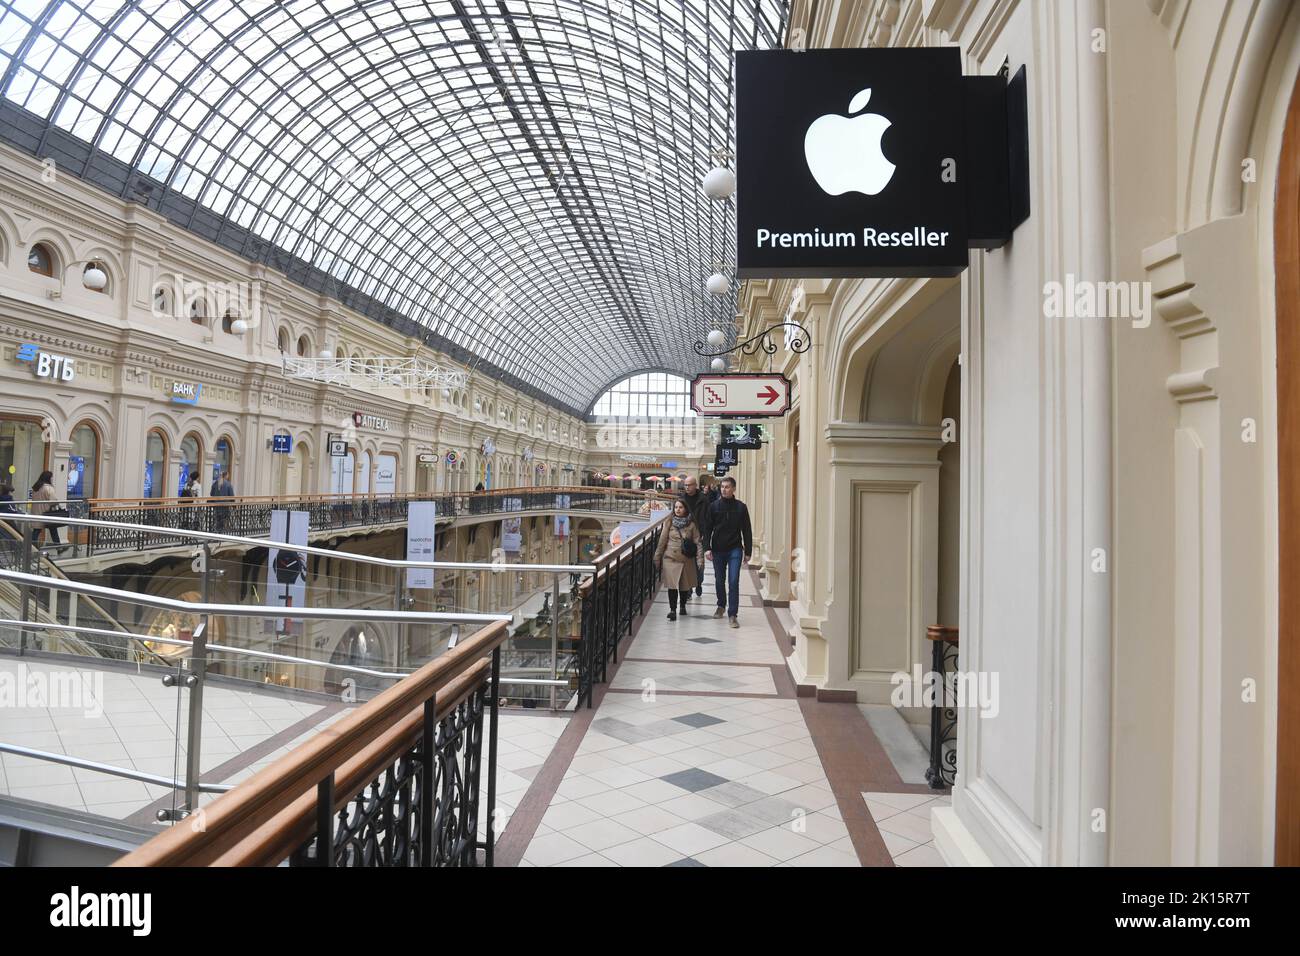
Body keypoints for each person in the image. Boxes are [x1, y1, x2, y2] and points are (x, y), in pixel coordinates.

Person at [702, 475, 753, 629]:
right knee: (719, 580)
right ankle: (721, 605)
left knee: (733, 581)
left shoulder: (741, 507)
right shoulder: (714, 507)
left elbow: (747, 530)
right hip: (718, 549)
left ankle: (732, 614)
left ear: (733, 489)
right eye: (722, 487)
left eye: (727, 487)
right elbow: (707, 528)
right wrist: (707, 548)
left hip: (735, 549)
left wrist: (748, 551)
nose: (724, 489)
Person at [654, 498, 701, 621]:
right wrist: (657, 556)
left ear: (685, 509)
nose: (678, 510)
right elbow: (662, 540)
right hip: (670, 557)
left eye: (680, 507)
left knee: (684, 585)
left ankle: (683, 606)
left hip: (685, 558)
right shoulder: (669, 522)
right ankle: (672, 610)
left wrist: (700, 560)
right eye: (676, 507)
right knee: (672, 585)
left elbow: (698, 542)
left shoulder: (691, 524)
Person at [679, 476, 710, 597]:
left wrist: (705, 535)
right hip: (685, 536)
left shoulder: (703, 499)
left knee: (699, 564)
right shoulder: (681, 499)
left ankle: (699, 583)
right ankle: (689, 588)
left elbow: (708, 519)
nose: (687, 487)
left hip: (699, 536)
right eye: (685, 485)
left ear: (695, 485)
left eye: (689, 485)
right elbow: (676, 516)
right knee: (686, 564)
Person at [30, 470, 65, 550]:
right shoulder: (48, 488)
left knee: (36, 530)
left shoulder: (36, 487)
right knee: (53, 530)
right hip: (46, 513)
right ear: (48, 478)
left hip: (36, 512)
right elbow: (54, 501)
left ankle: (31, 548)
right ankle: (58, 548)